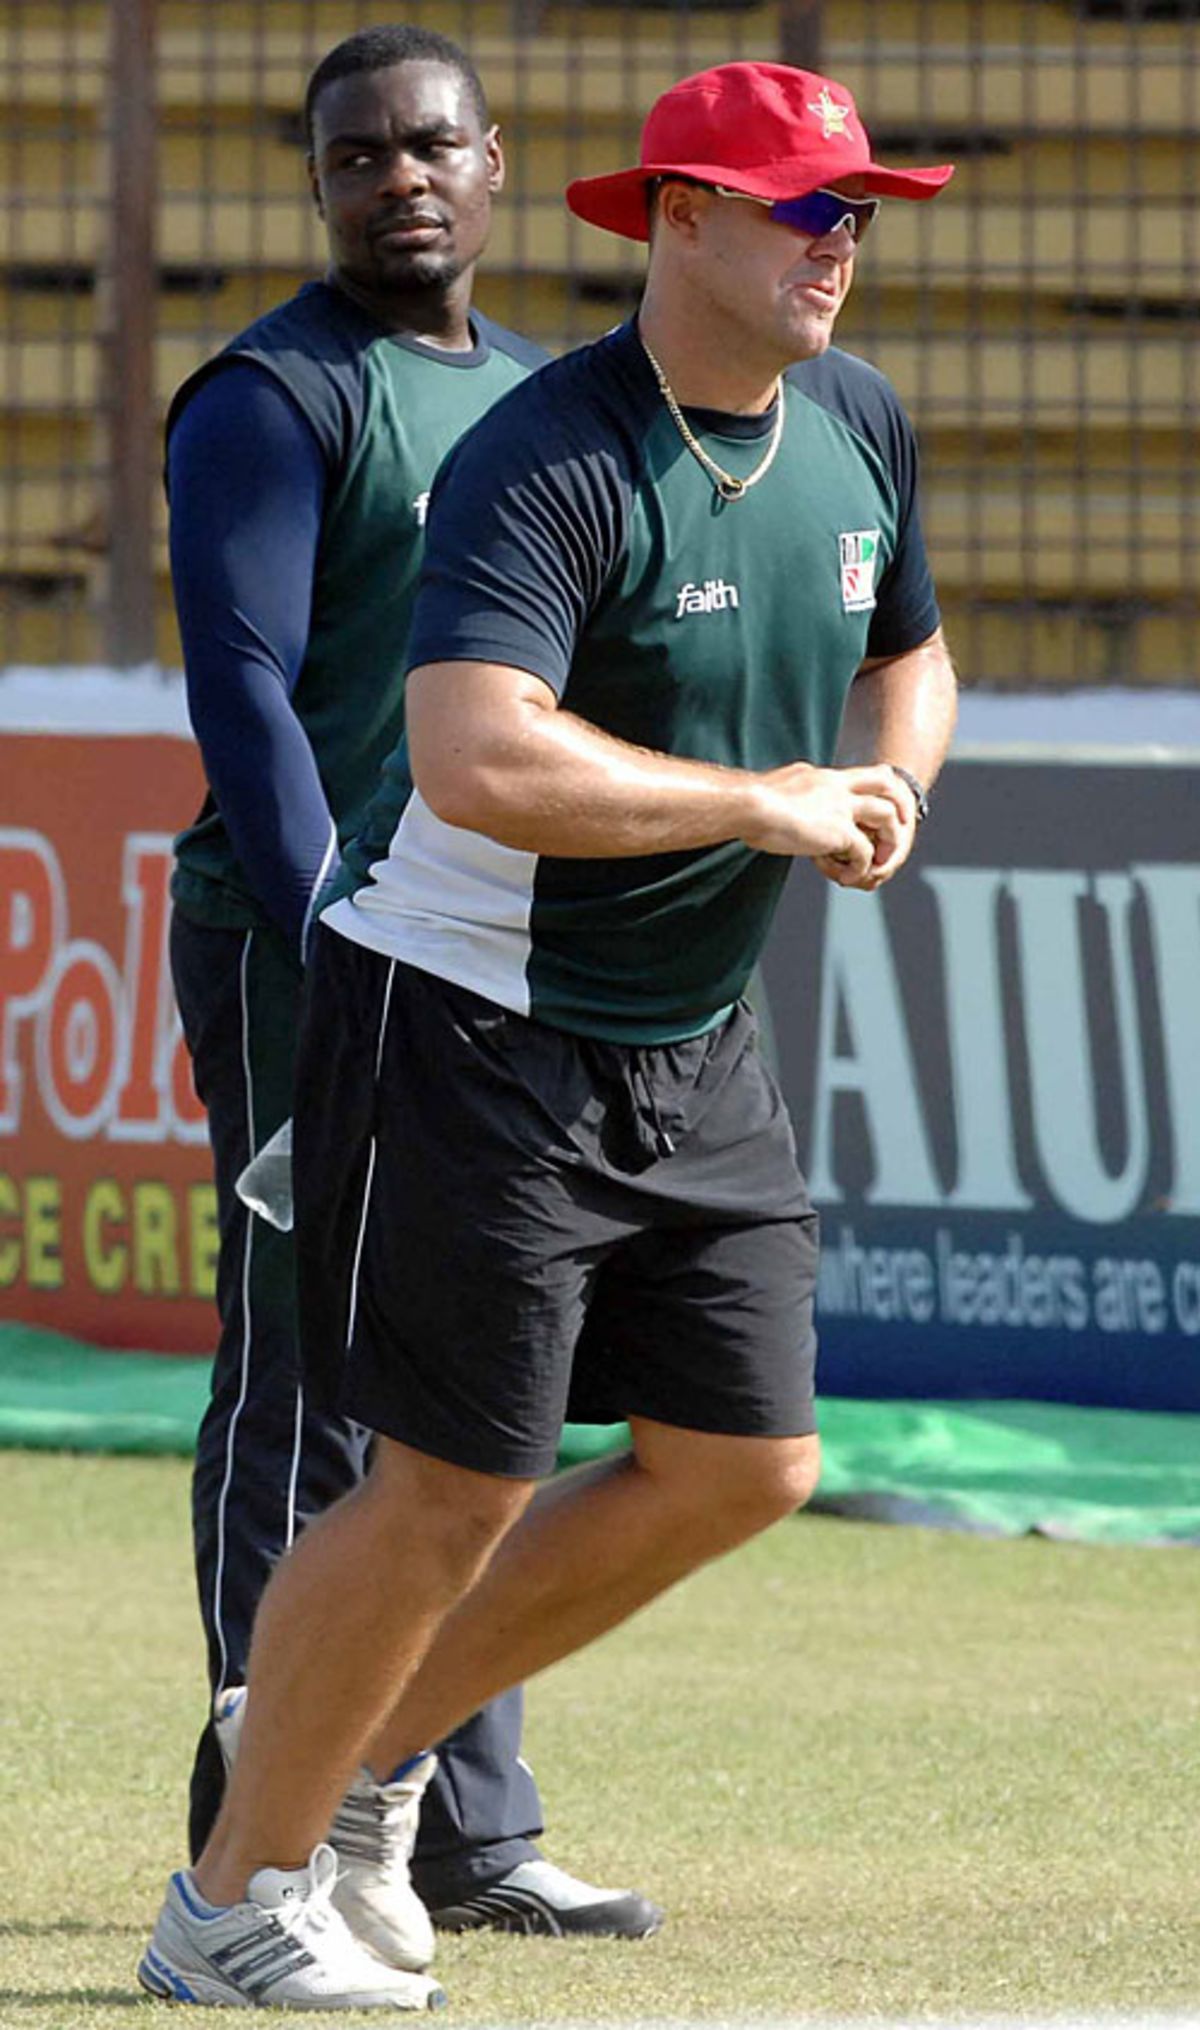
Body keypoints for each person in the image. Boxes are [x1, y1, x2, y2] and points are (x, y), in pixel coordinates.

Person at [141, 58, 958, 2012]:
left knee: (744, 1461)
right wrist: (767, 803)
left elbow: (913, 652)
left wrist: (893, 782)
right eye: (807, 209)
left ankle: (370, 1764)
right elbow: (474, 754)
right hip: (469, 1021)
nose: (842, 245)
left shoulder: (857, 420)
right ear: (680, 217)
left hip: (690, 1035)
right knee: (446, 1483)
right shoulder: (549, 449)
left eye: (858, 212)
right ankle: (229, 1901)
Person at [162, 21, 660, 2003]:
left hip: (498, 953)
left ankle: (466, 1827)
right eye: (358, 156)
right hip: (304, 953)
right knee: (304, 1375)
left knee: (484, 1392)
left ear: (494, 158)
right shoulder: (270, 398)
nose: (401, 181)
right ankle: (254, 1829)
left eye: (431, 145)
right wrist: (328, 939)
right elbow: (246, 695)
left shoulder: (545, 399)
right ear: (319, 184)